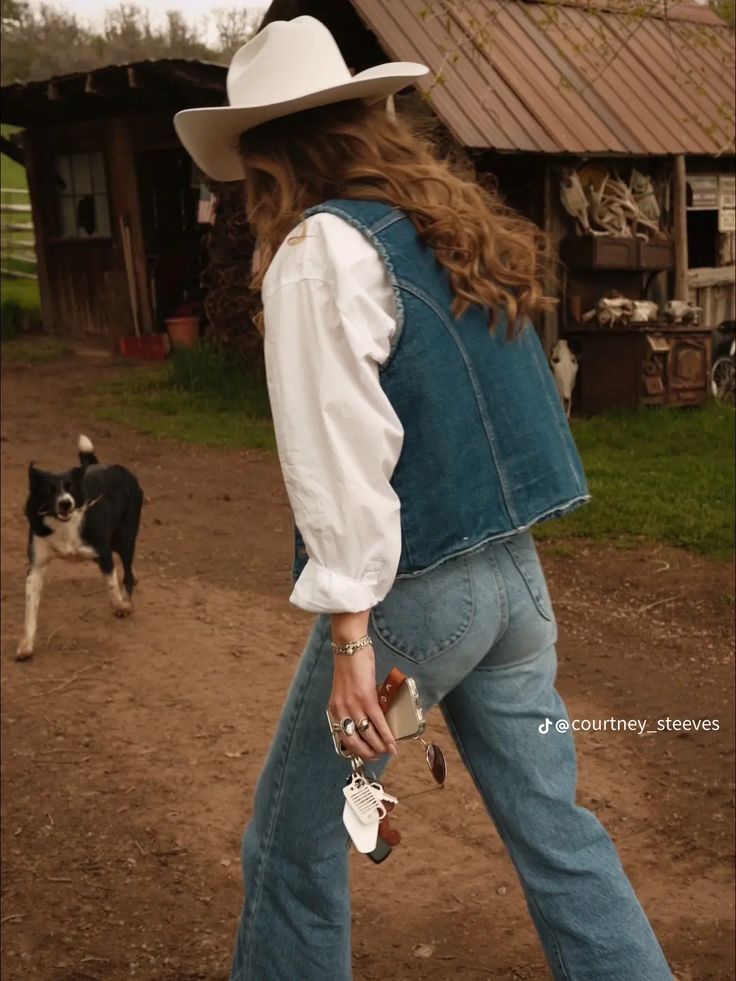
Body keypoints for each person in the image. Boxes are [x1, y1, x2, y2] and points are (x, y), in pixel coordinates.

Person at [175, 16, 673, 981]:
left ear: (268, 153)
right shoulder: (445, 226)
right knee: (557, 834)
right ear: (369, 123)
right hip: (517, 585)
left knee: (293, 848)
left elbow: (339, 459)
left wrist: (352, 639)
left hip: (415, 600)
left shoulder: (320, 251)